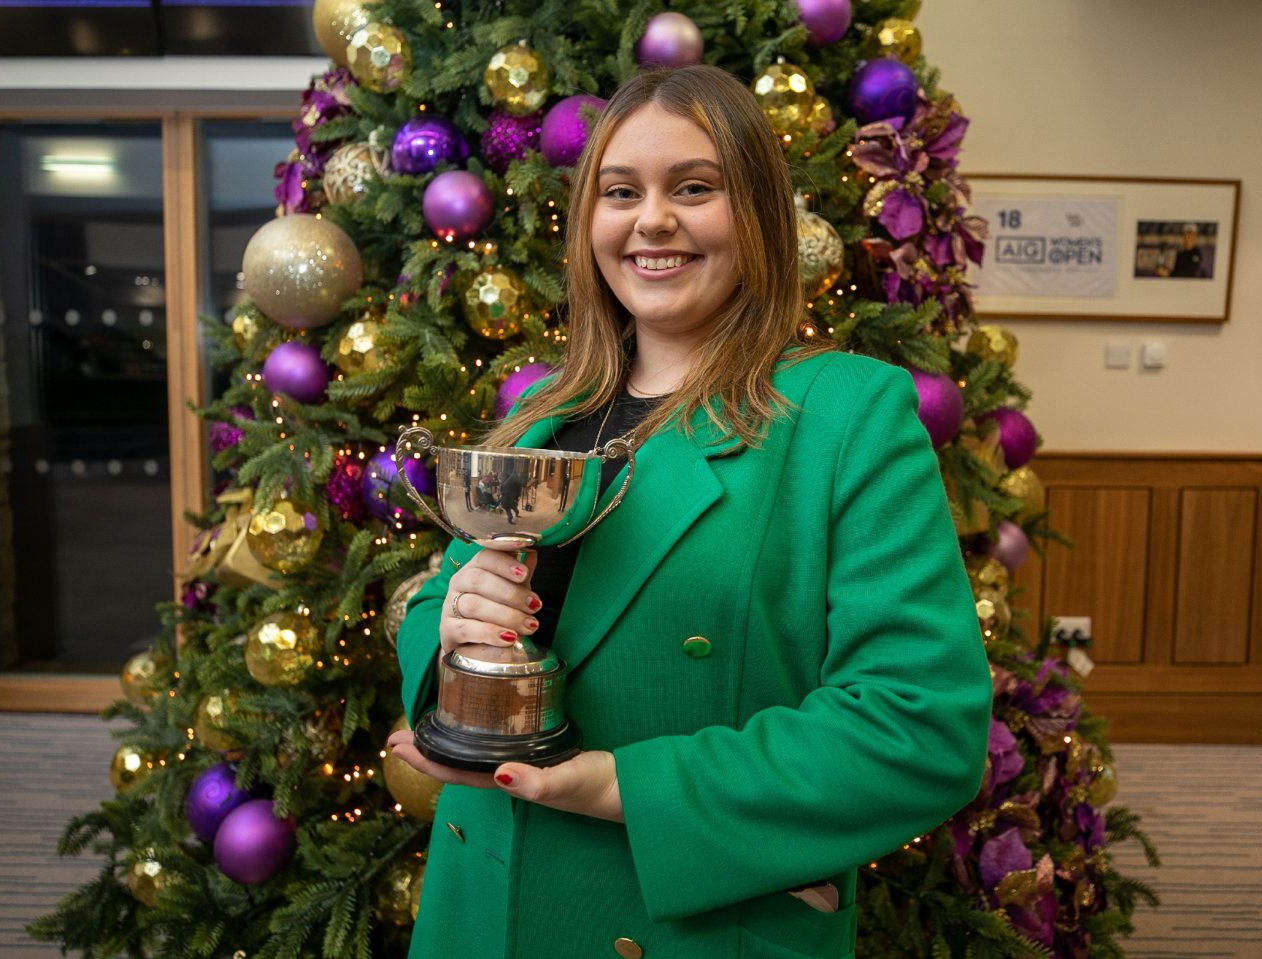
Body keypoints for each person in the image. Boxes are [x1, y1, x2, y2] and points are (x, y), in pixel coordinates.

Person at [389, 64, 990, 959]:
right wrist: (454, 634)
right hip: (483, 904)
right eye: (620, 191)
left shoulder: (844, 414)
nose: (652, 220)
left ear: (756, 216)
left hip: (680, 918)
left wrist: (621, 785)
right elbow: (441, 603)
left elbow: (919, 724)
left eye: (695, 188)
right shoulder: (548, 416)